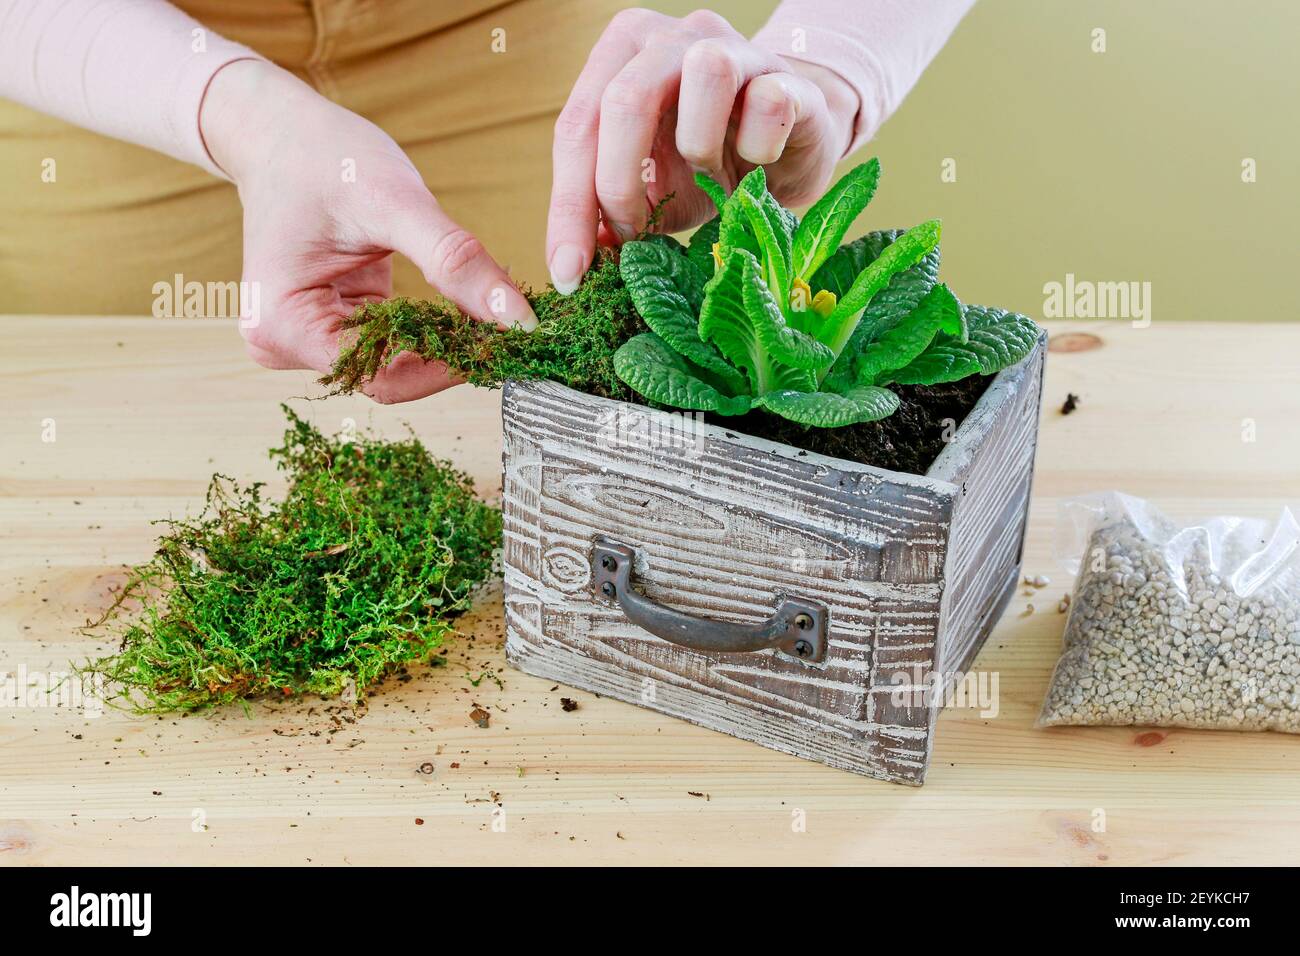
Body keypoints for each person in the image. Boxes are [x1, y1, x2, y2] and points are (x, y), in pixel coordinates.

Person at [0, 0, 972, 402]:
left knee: (550, 325)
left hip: (499, 45)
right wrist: (230, 111)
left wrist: (829, 67)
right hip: (112, 69)